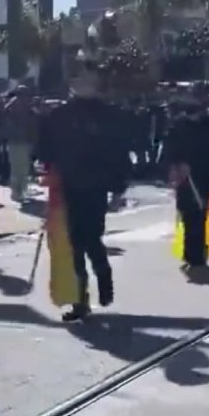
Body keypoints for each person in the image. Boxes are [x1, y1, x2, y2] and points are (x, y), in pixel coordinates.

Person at [36, 65, 131, 322]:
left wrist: (119, 188)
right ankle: (80, 300)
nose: (83, 83)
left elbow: (119, 153)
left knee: (91, 239)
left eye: (89, 79)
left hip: (96, 187)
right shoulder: (59, 115)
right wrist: (47, 168)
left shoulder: (109, 115)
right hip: (67, 187)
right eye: (79, 78)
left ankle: (104, 276)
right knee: (74, 245)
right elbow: (45, 149)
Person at [162, 97, 209, 270]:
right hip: (186, 176)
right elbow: (168, 151)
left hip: (201, 177)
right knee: (188, 215)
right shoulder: (179, 128)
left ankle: (196, 255)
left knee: (197, 216)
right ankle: (191, 253)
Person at [0, 86, 39, 202]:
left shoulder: (11, 106)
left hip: (17, 140)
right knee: (21, 168)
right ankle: (18, 192)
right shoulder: (20, 106)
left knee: (19, 168)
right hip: (20, 140)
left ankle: (18, 192)